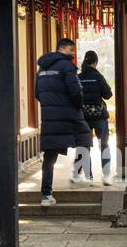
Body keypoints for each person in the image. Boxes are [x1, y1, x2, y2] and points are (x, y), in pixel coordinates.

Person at [34, 36, 92, 206]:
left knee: (50, 156)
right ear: (66, 49)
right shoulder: (67, 66)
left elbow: (37, 93)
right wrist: (78, 106)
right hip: (69, 115)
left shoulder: (41, 69)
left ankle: (46, 195)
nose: (73, 54)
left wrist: (51, 106)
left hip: (49, 117)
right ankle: (77, 173)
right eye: (72, 50)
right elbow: (75, 91)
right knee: (85, 138)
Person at [79, 49, 114, 185]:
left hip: (84, 117)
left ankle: (89, 177)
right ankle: (106, 177)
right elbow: (108, 95)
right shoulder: (98, 77)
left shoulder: (79, 77)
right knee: (104, 146)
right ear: (95, 62)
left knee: (85, 146)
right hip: (99, 115)